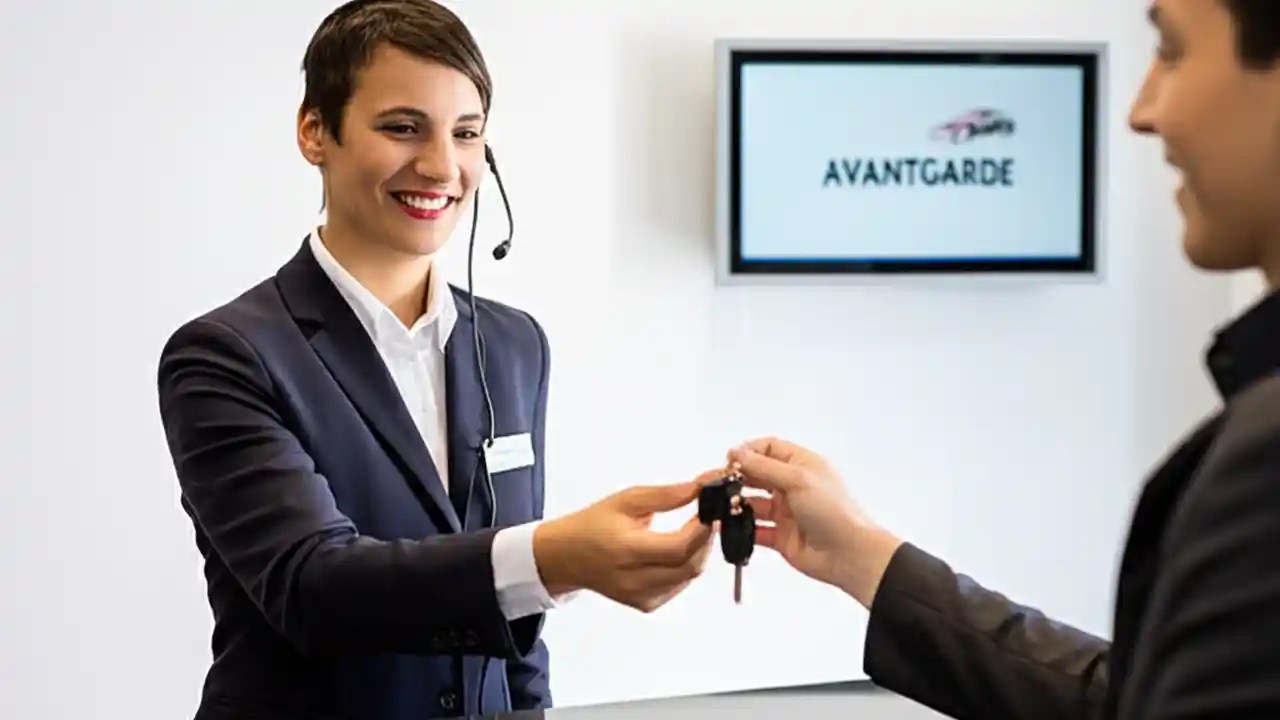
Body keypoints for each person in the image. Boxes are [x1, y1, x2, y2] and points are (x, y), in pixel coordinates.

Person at [718, 1, 1280, 718]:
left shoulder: (1264, 456)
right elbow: (1125, 703)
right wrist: (863, 557)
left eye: (1172, 51)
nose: (1142, 111)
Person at [155, 2, 712, 719]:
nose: (442, 167)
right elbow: (313, 589)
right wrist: (553, 556)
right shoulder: (227, 356)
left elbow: (518, 645)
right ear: (314, 131)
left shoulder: (514, 347)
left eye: (467, 134)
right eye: (402, 128)